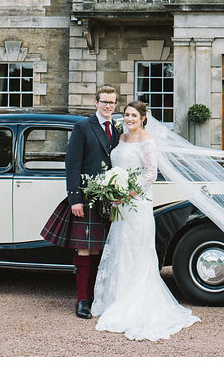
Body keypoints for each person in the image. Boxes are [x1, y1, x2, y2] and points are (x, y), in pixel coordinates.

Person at [91, 101, 200, 341]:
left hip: (137, 204)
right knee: (121, 248)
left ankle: (135, 302)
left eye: (133, 115)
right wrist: (112, 189)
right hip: (120, 204)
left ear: (143, 118)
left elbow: (151, 174)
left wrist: (126, 193)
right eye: (126, 114)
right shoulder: (121, 138)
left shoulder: (147, 141)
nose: (129, 119)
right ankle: (117, 298)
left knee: (136, 250)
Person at [41, 85, 120, 319]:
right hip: (86, 196)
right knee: (84, 248)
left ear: (116, 104)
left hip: (108, 199)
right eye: (104, 101)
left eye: (112, 102)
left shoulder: (116, 130)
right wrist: (74, 198)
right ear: (96, 103)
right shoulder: (83, 127)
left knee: (99, 249)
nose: (108, 106)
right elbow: (72, 163)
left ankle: (96, 297)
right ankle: (82, 300)